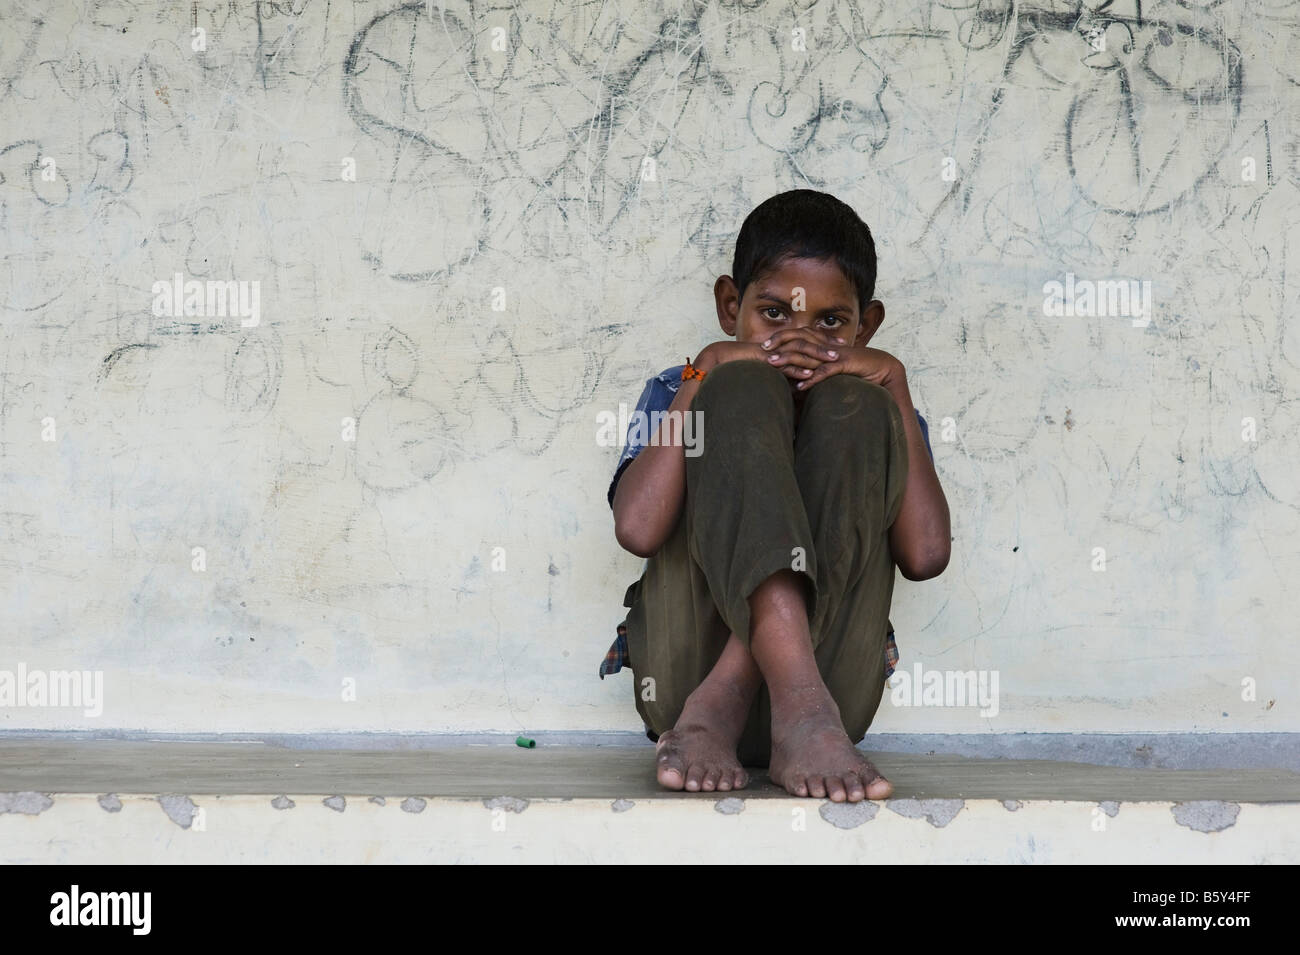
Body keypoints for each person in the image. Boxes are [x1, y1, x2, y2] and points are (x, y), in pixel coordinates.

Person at [606, 189, 950, 803]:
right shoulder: (678, 385)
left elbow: (926, 555)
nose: (798, 341)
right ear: (729, 304)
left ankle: (759, 696)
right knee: (737, 391)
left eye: (830, 323)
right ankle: (751, 697)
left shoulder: (877, 406)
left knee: (856, 409)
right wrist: (705, 376)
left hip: (831, 699)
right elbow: (637, 528)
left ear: (865, 326)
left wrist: (893, 385)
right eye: (773, 314)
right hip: (684, 681)